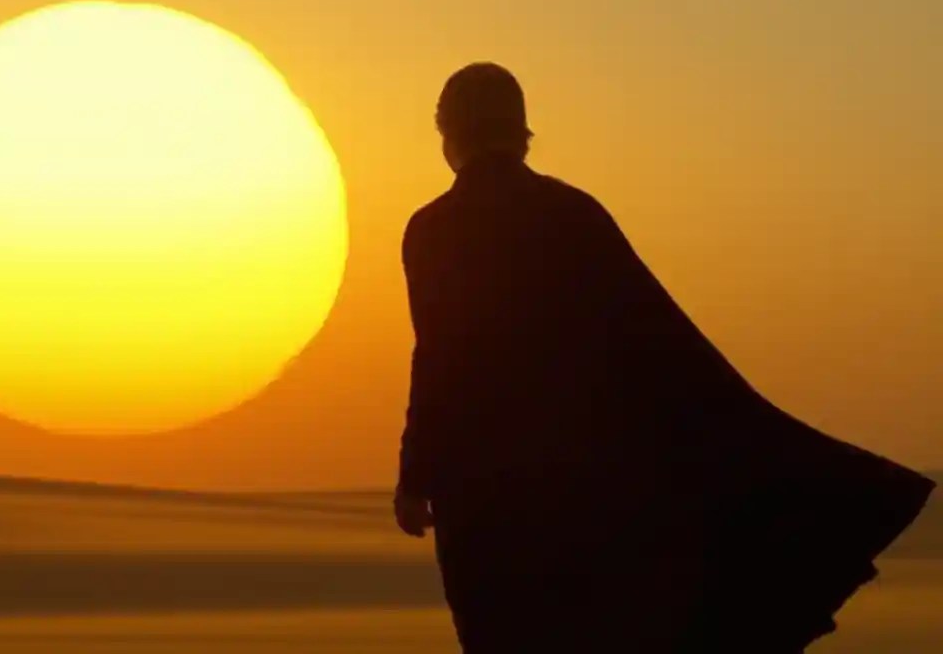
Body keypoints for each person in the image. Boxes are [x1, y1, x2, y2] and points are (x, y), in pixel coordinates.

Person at [393, 62, 935, 653]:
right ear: (521, 132)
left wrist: (415, 476)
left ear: (449, 133)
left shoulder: (433, 230)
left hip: (488, 496)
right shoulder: (575, 213)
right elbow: (657, 345)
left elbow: (439, 360)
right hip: (584, 486)